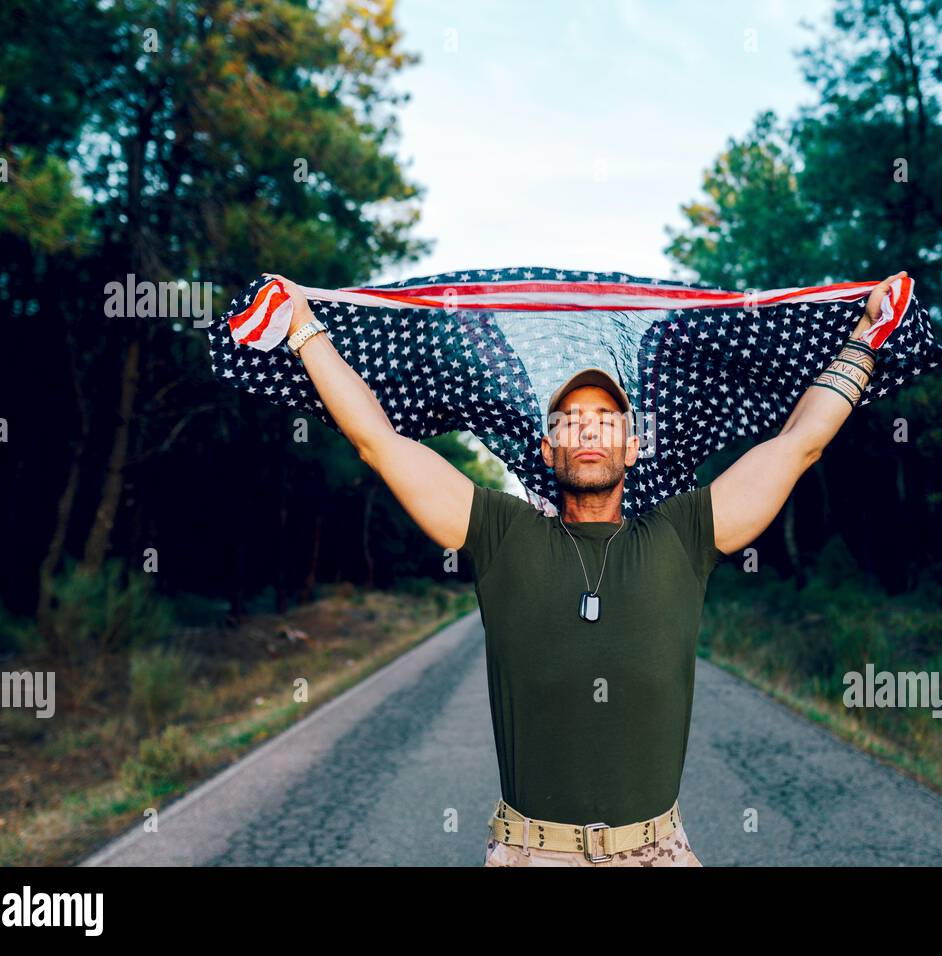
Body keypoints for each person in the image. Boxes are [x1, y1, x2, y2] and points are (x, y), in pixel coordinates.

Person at [263, 269, 902, 866]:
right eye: (570, 421)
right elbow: (381, 443)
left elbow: (798, 445)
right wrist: (302, 327)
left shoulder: (683, 534)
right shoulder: (498, 532)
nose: (587, 432)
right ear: (547, 447)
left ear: (633, 443)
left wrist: (866, 339)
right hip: (529, 853)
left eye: (604, 420)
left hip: (658, 853)